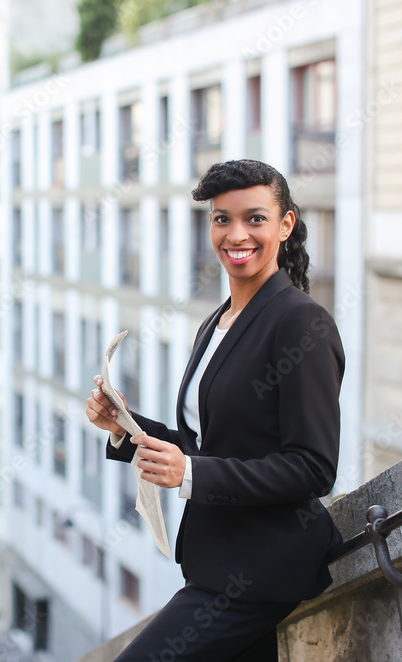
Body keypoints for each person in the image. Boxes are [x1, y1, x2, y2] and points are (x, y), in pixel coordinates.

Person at [86, 160, 344, 661]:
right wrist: (124, 426)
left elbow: (313, 467)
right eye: (222, 219)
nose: (236, 234)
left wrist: (192, 476)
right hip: (215, 560)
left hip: (259, 570)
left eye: (255, 218)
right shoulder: (218, 320)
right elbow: (209, 446)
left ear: (285, 224)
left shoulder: (300, 323)